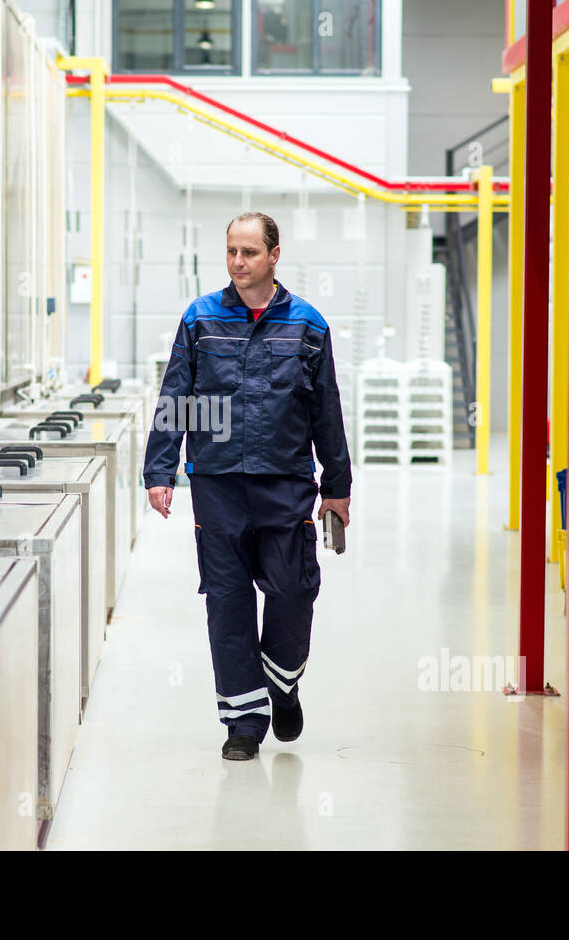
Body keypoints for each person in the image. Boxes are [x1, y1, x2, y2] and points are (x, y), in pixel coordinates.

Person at [143, 211, 352, 761]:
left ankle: (282, 681)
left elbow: (326, 411)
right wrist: (159, 470)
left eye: (250, 253)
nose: (238, 263)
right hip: (216, 484)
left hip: (285, 482)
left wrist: (337, 485)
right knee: (227, 601)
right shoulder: (201, 318)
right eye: (232, 252)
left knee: (293, 590)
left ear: (274, 255)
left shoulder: (307, 324)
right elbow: (176, 397)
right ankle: (242, 722)